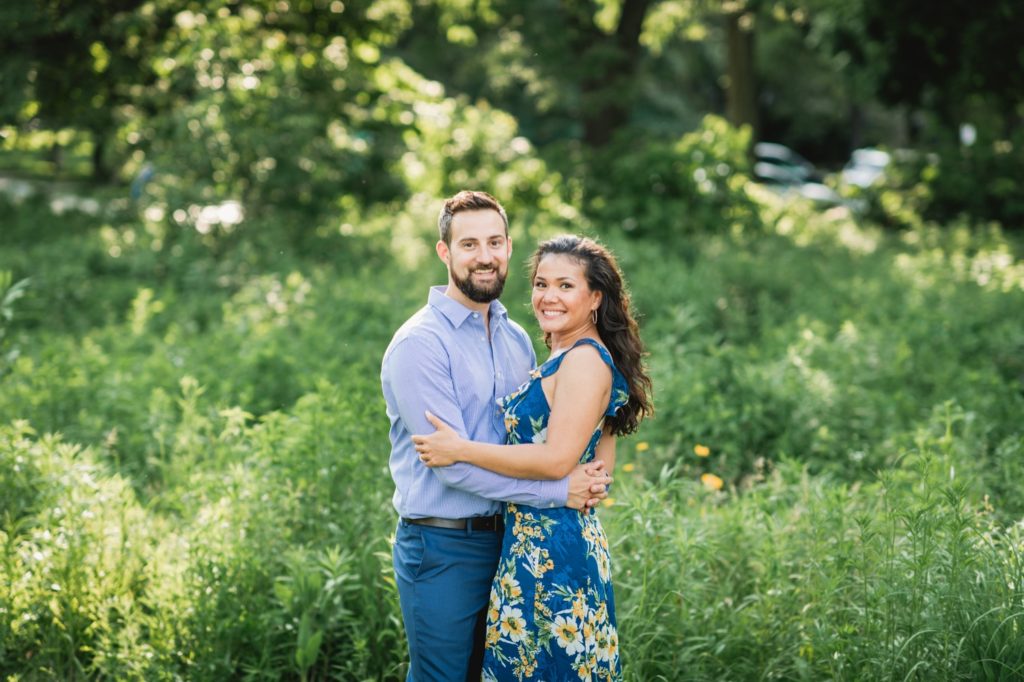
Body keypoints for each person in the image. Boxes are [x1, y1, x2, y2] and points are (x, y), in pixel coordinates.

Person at [381, 192, 614, 682]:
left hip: (514, 543)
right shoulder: (419, 345)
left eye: (493, 242)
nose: (483, 256)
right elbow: (454, 465)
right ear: (445, 252)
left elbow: (538, 438)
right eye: (469, 244)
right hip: (444, 546)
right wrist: (559, 489)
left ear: (508, 248)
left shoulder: (517, 339)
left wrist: (593, 469)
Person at [414, 234, 654, 680]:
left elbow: (557, 459)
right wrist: (587, 481)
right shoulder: (564, 354)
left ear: (595, 297)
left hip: (552, 547)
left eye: (566, 286)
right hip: (534, 539)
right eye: (541, 284)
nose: (549, 297)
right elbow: (599, 461)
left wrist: (461, 449)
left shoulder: (583, 360)